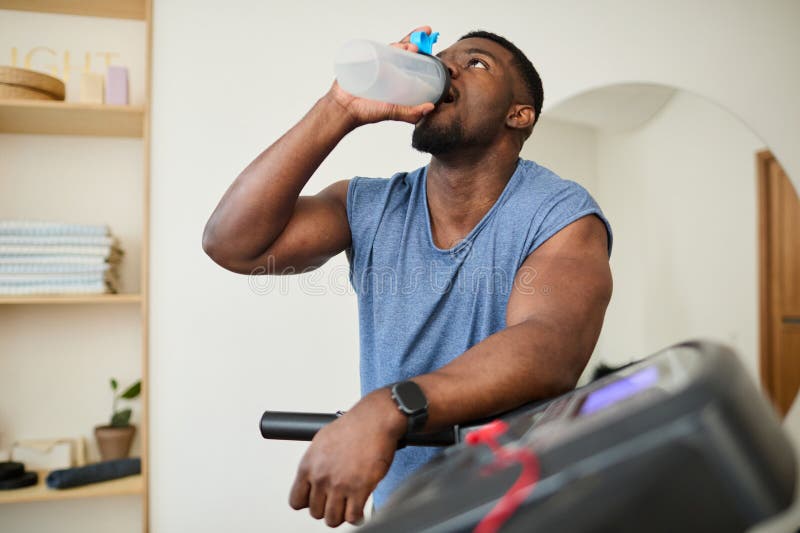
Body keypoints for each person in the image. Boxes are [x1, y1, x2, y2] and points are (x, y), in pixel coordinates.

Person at [203, 26, 613, 528]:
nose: (446, 69)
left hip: (518, 512)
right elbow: (233, 244)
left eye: (476, 63)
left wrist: (389, 407)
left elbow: (548, 345)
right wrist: (340, 107)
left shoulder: (561, 213)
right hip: (405, 513)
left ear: (518, 114)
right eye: (439, 61)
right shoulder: (369, 205)